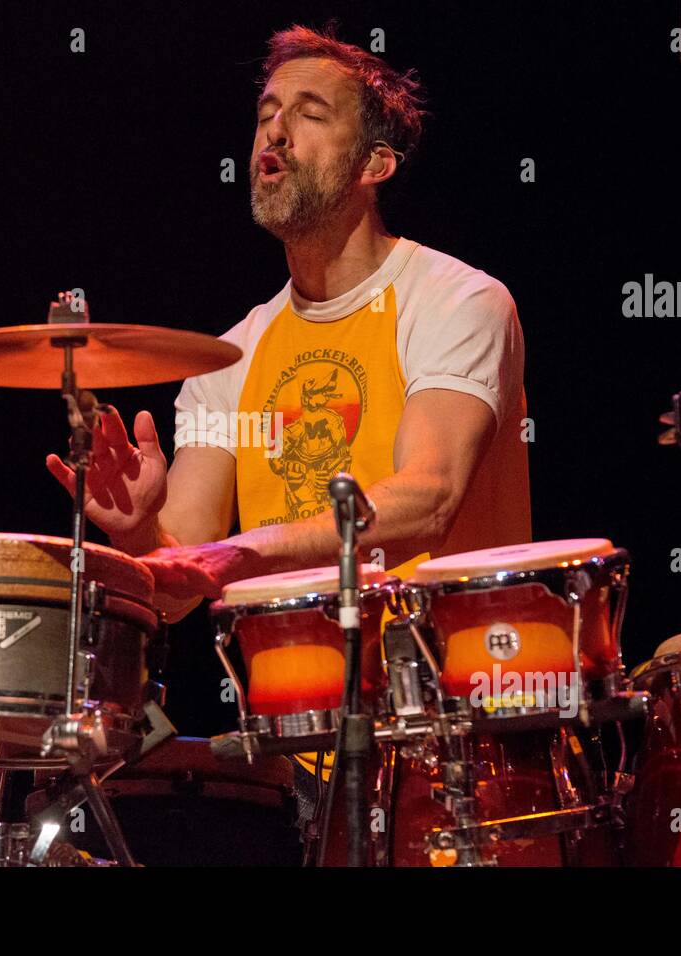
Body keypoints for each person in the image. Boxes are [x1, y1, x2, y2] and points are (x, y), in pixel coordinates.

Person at [46, 24, 530, 623]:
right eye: (266, 113)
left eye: (311, 114)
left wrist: (244, 551)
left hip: (451, 693)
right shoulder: (230, 356)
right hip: (292, 698)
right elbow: (178, 591)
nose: (275, 131)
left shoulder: (457, 299)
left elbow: (427, 501)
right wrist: (141, 530)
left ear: (375, 163)